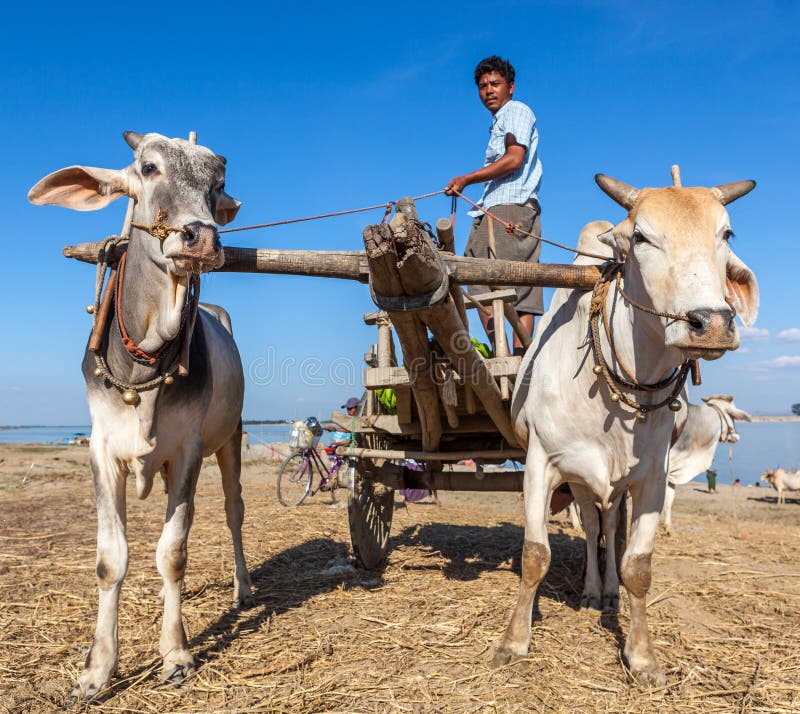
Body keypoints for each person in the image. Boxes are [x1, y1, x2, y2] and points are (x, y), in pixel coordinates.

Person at [445, 55, 543, 355]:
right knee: (478, 288)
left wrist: (466, 179)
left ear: (510, 87)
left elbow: (514, 160)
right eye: (483, 85)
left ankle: (519, 360)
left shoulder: (516, 111)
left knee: (515, 288)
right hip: (489, 210)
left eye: (495, 84)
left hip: (510, 211)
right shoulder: (500, 120)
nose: (488, 90)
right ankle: (502, 355)